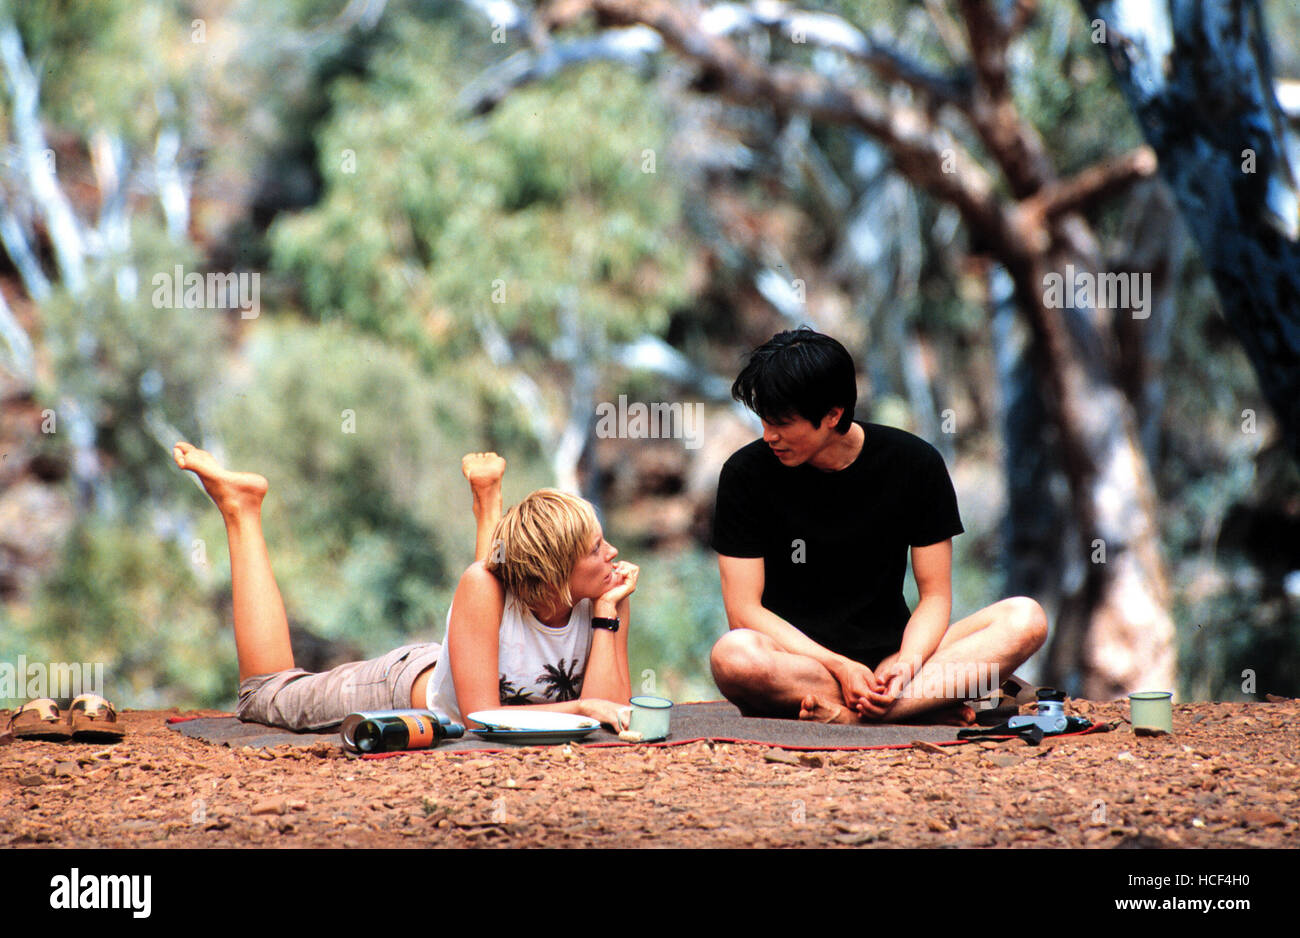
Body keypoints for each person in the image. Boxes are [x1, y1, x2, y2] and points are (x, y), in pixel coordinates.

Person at [707, 328, 1047, 726]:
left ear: (832, 415)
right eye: (764, 420)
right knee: (733, 657)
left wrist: (906, 663)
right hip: (804, 664)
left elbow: (935, 597)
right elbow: (744, 612)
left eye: (782, 423)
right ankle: (923, 703)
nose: (769, 436)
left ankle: (861, 715)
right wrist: (839, 666)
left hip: (897, 658)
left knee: (1025, 618)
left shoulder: (914, 465)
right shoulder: (744, 475)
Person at [171, 442, 636, 732]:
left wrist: (607, 615)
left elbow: (608, 714)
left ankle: (487, 502)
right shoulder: (485, 586)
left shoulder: (604, 598)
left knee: (488, 585)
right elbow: (481, 719)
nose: (613, 553)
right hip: (402, 687)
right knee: (263, 695)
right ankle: (241, 509)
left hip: (468, 651)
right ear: (554, 572)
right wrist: (584, 710)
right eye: (597, 548)